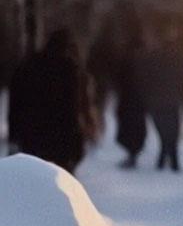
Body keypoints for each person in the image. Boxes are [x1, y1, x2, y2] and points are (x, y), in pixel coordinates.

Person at [7, 29, 96, 174]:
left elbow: (16, 102)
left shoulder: (29, 65)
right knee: (62, 181)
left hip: (33, 136)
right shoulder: (73, 68)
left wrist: (14, 134)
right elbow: (80, 104)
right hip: (64, 138)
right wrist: (86, 128)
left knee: (34, 178)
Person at [138, 32, 183, 171]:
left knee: (162, 131)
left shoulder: (153, 60)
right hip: (173, 102)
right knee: (173, 131)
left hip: (157, 103)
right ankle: (172, 158)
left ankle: (164, 156)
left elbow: (146, 80)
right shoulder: (180, 60)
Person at [114, 36, 147, 168]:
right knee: (136, 128)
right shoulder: (144, 61)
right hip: (137, 101)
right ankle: (133, 153)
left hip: (128, 100)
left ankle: (131, 153)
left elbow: (118, 80)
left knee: (128, 128)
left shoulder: (125, 60)